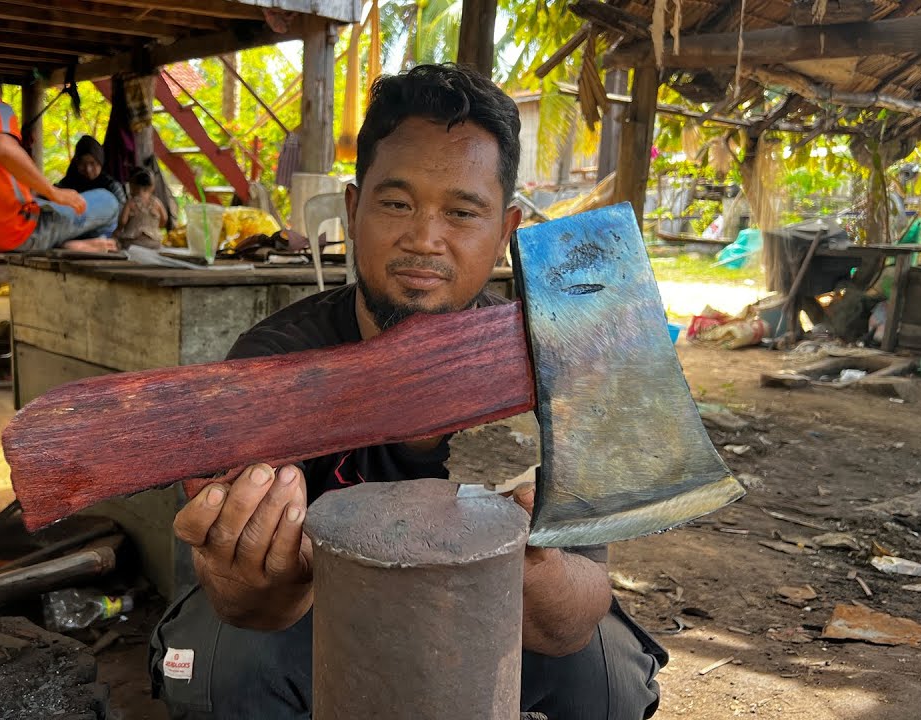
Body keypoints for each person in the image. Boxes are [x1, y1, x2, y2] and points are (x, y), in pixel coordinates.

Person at [148, 63, 667, 720]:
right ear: (351, 209)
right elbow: (246, 600)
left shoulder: (568, 351)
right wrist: (257, 579)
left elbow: (571, 614)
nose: (424, 239)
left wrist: (523, 560)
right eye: (395, 203)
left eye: (461, 211)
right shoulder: (276, 361)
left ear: (507, 232)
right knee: (228, 670)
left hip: (490, 594)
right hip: (327, 596)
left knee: (608, 680)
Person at [0, 63, 119, 254]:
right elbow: (4, 148)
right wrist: (53, 192)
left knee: (50, 207)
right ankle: (77, 247)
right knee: (108, 200)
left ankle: (65, 243)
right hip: (18, 234)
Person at [58, 134, 127, 237]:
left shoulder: (112, 187)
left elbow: (120, 216)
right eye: (83, 164)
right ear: (76, 163)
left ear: (100, 162)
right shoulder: (68, 184)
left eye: (92, 163)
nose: (88, 169)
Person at [117, 169, 168, 249]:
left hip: (133, 243)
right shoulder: (157, 203)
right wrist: (156, 227)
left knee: (117, 242)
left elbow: (122, 221)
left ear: (132, 186)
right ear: (152, 187)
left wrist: (118, 230)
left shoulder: (131, 203)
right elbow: (164, 218)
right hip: (154, 243)